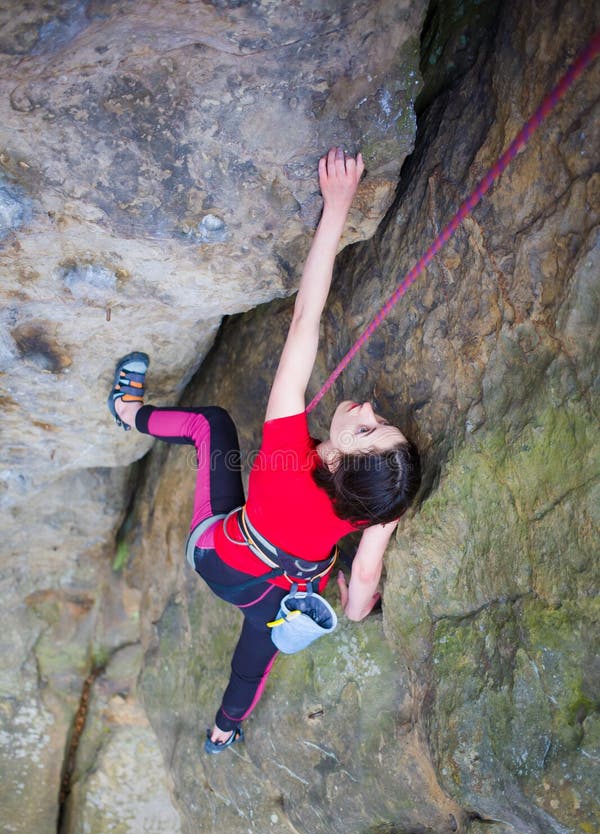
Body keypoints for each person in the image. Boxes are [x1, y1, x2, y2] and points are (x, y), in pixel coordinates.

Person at [107, 148, 421, 753]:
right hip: (276, 599)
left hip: (216, 552)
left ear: (335, 460)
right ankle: (223, 732)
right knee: (252, 664)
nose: (366, 409)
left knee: (212, 427)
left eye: (367, 428)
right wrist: (358, 612)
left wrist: (337, 209)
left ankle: (127, 412)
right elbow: (362, 577)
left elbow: (305, 319)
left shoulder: (283, 459)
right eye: (382, 422)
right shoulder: (378, 504)